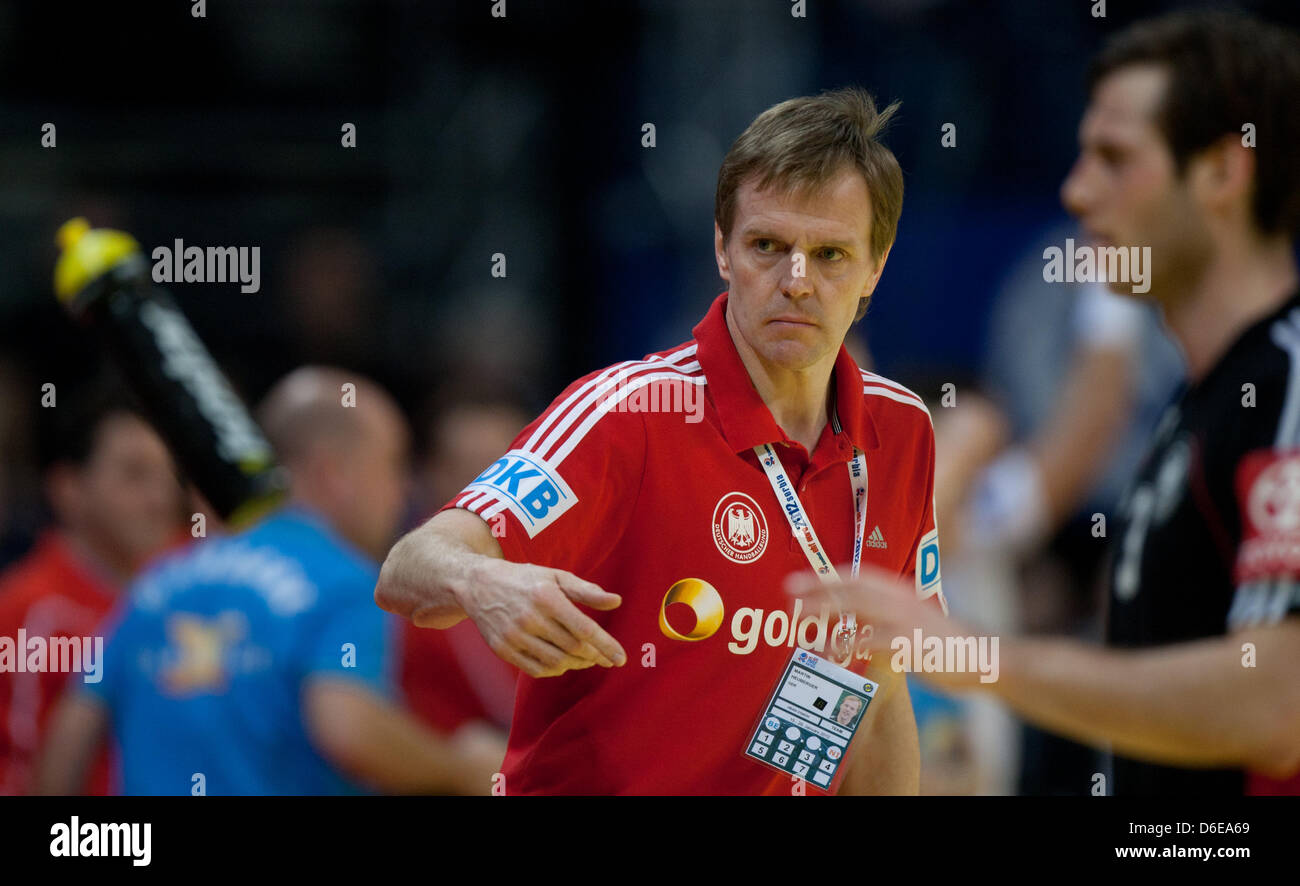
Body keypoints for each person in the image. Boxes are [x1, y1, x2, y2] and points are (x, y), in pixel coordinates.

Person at [376, 87, 947, 795]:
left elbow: (881, 687)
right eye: (768, 245)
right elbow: (409, 566)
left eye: (830, 254)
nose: (796, 281)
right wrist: (485, 578)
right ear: (722, 248)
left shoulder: (901, 429)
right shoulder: (627, 414)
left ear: (875, 269)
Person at [791, 9, 1300, 796]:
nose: (1076, 191)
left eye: (1113, 158)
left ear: (1223, 173)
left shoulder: (1288, 385)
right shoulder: (1195, 420)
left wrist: (961, 651)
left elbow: (1279, 704)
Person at [37, 367, 503, 795]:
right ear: (332, 473)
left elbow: (67, 745)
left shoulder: (159, 581)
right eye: (392, 464)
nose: (403, 491)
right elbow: (346, 726)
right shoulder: (344, 580)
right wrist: (462, 769)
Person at [0, 386, 185, 795]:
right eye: (135, 475)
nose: (161, 498)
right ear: (69, 489)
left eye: (169, 475)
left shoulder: (200, 576)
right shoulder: (26, 613)